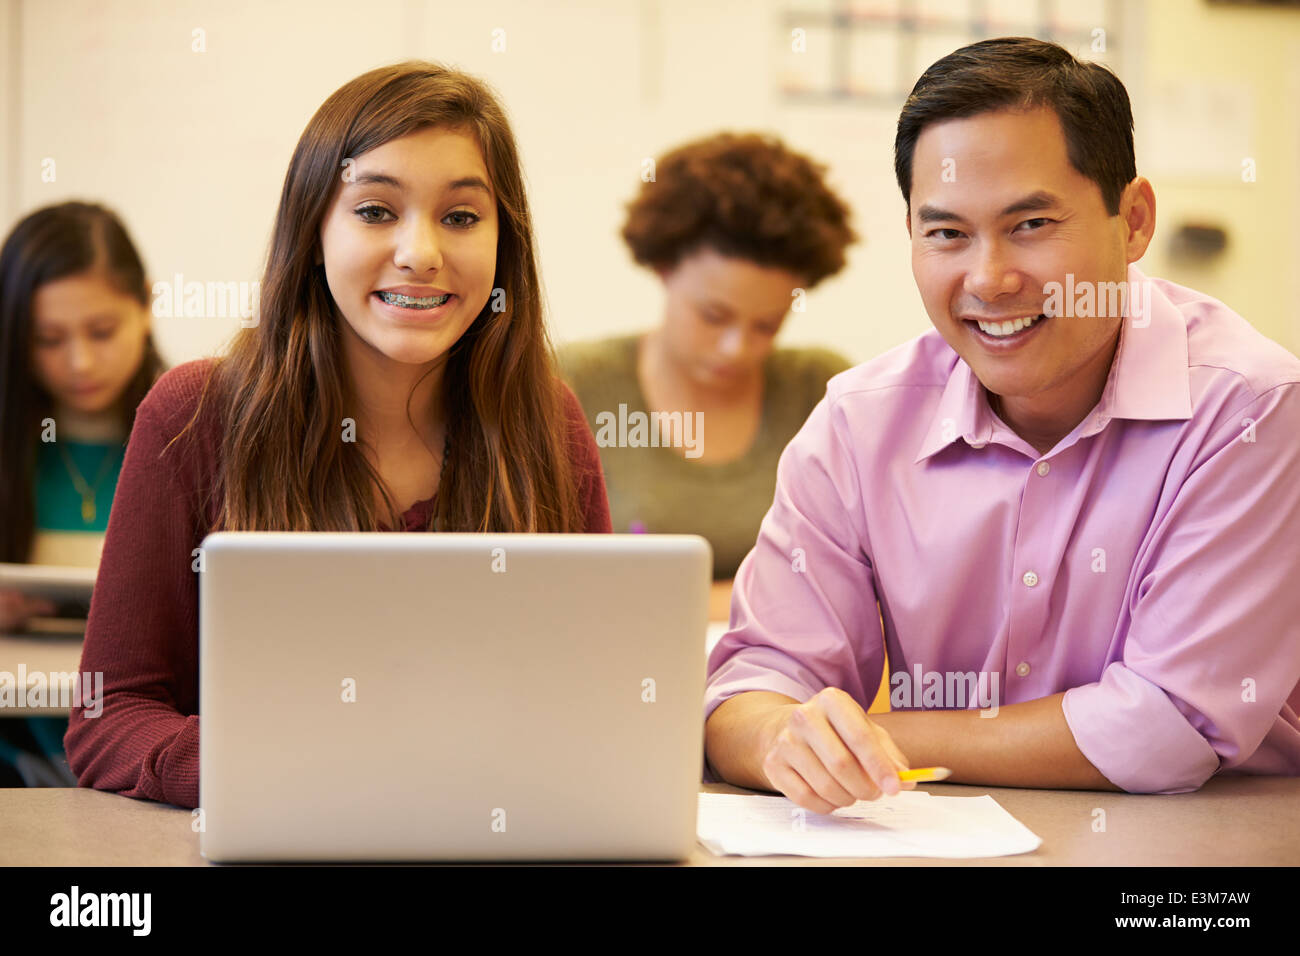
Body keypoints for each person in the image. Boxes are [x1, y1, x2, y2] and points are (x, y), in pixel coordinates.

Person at [704, 37, 1300, 811]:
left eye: (1031, 225)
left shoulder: (1250, 409)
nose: (989, 279)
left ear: (1134, 221)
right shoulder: (860, 424)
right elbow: (752, 688)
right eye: (947, 233)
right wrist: (782, 736)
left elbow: (1167, 724)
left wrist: (879, 739)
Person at [63, 61, 612, 809]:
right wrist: (269, 768)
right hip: (269, 838)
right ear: (312, 229)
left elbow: (595, 704)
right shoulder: (194, 415)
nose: (421, 252)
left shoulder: (549, 421)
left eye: (460, 217)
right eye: (376, 211)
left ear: (503, 243)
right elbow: (107, 715)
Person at [558, 132, 855, 601]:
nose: (736, 349)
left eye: (767, 325)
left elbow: (856, 582)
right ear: (663, 269)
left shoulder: (817, 389)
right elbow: (551, 580)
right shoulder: (572, 383)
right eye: (713, 316)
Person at [0, 202, 165, 786]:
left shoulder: (192, 435)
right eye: (48, 339)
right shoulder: (12, 448)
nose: (80, 362)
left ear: (146, 306)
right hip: (15, 746)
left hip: (150, 750)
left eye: (102, 331)